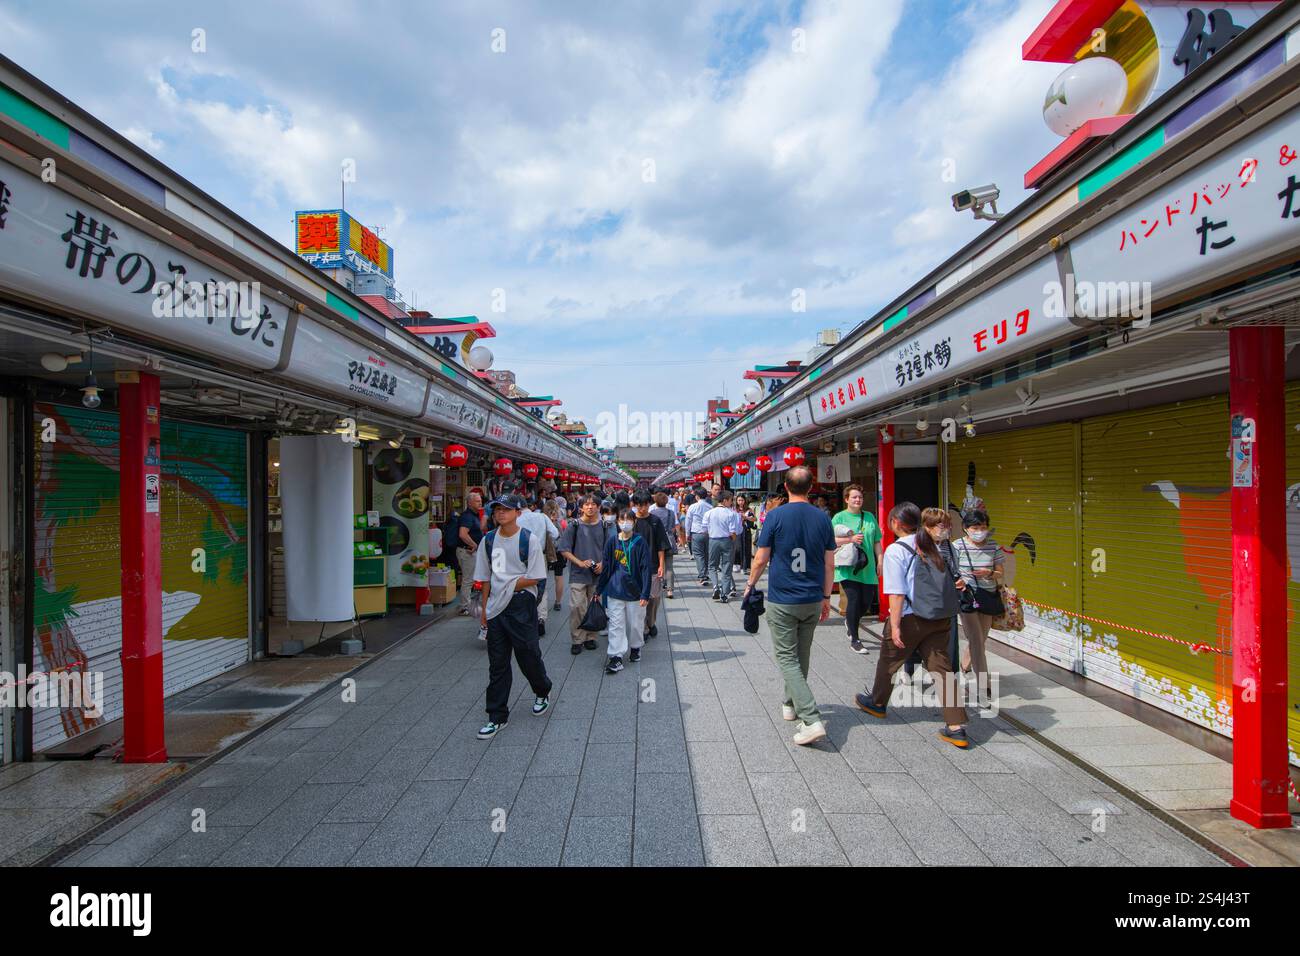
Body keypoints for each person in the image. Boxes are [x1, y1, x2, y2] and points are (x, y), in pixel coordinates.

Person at [856, 504, 971, 749]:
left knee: (889, 661)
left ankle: (877, 703)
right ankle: (956, 727)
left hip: (910, 617)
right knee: (942, 669)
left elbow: (897, 593)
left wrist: (895, 625)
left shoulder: (897, 549)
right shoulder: (935, 545)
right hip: (939, 617)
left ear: (896, 523)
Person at [743, 465, 835, 746]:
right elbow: (829, 563)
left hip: (783, 597)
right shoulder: (823, 518)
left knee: (786, 657)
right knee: (801, 654)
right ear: (811, 487)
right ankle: (789, 703)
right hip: (812, 597)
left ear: (785, 487)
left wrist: (749, 585)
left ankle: (811, 718)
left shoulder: (775, 516)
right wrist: (827, 597)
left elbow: (761, 558)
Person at [473, 494, 553, 739]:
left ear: (518, 512)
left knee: (528, 655)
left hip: (520, 604)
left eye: (506, 509)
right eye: (497, 509)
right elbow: (485, 578)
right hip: (496, 607)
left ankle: (542, 689)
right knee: (497, 664)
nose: (500, 513)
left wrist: (510, 584)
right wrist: (484, 611)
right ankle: (496, 716)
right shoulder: (488, 540)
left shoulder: (528, 540)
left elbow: (537, 576)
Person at [950, 507, 1004, 708]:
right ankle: (983, 685)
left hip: (988, 596)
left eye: (983, 527)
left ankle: (965, 665)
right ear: (965, 528)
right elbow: (950, 570)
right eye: (975, 527)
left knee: (981, 638)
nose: (979, 531)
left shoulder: (993, 546)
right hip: (967, 597)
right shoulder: (957, 546)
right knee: (976, 640)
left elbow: (1000, 572)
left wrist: (989, 573)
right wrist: (958, 582)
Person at [595, 507, 653, 673]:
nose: (625, 523)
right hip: (615, 589)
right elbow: (606, 567)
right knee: (615, 624)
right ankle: (616, 656)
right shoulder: (612, 541)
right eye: (622, 520)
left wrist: (645, 593)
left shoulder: (640, 542)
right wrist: (599, 590)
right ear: (617, 522)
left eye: (628, 520)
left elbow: (646, 569)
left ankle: (635, 647)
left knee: (635, 624)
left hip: (636, 592)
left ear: (634, 522)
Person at [832, 484, 884, 655]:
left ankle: (850, 621)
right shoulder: (839, 517)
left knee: (866, 602)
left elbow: (876, 541)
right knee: (853, 600)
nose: (857, 500)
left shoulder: (869, 517)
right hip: (848, 567)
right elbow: (830, 541)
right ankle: (855, 639)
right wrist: (851, 539)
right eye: (854, 497)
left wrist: (880, 561)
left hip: (867, 566)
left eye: (860, 497)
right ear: (846, 499)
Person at [557, 494, 609, 655]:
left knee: (594, 606)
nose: (590, 507)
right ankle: (577, 639)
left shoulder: (604, 526)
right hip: (578, 573)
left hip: (597, 574)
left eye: (594, 504)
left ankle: (591, 637)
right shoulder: (574, 525)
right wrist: (579, 562)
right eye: (587, 504)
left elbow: (610, 549)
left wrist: (603, 564)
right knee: (577, 606)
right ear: (581, 507)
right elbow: (564, 549)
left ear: (599, 507)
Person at [517, 498, 560, 636]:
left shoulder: (516, 519)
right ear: (529, 506)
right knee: (541, 585)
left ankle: (525, 617)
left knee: (522, 585)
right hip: (540, 556)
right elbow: (555, 534)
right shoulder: (542, 517)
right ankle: (541, 618)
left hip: (520, 557)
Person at [457, 491, 487, 637]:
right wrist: (474, 545)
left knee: (470, 578)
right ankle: (464, 606)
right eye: (477, 501)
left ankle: (467, 604)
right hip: (467, 551)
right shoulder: (467, 516)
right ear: (469, 503)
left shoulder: (474, 515)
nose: (480, 503)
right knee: (468, 579)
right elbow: (463, 534)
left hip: (470, 551)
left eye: (480, 501)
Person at [704, 489, 738, 602]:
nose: (731, 503)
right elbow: (733, 532)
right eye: (730, 500)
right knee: (726, 567)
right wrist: (733, 541)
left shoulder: (709, 513)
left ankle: (715, 586)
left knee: (712, 566)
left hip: (713, 540)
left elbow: (704, 529)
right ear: (724, 500)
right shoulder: (730, 513)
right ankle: (724, 593)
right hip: (727, 540)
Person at [649, 490, 679, 601]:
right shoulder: (671, 513)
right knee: (669, 566)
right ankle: (670, 590)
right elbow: (673, 528)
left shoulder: (652, 513)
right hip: (669, 540)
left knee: (657, 565)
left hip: (656, 542)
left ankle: (657, 587)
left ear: (655, 501)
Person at [685, 488, 713, 584]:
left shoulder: (692, 507)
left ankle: (702, 575)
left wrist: (687, 533)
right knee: (707, 554)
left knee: (698, 554)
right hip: (708, 533)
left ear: (697, 496)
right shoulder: (710, 507)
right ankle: (706, 573)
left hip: (696, 532)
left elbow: (688, 521)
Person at [734, 495, 756, 572]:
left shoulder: (749, 509)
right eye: (739, 500)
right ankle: (736, 564)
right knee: (737, 547)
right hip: (736, 530)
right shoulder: (734, 509)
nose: (740, 502)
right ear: (736, 501)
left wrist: (746, 517)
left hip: (746, 530)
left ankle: (745, 567)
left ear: (745, 501)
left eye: (742, 500)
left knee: (746, 548)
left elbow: (755, 519)